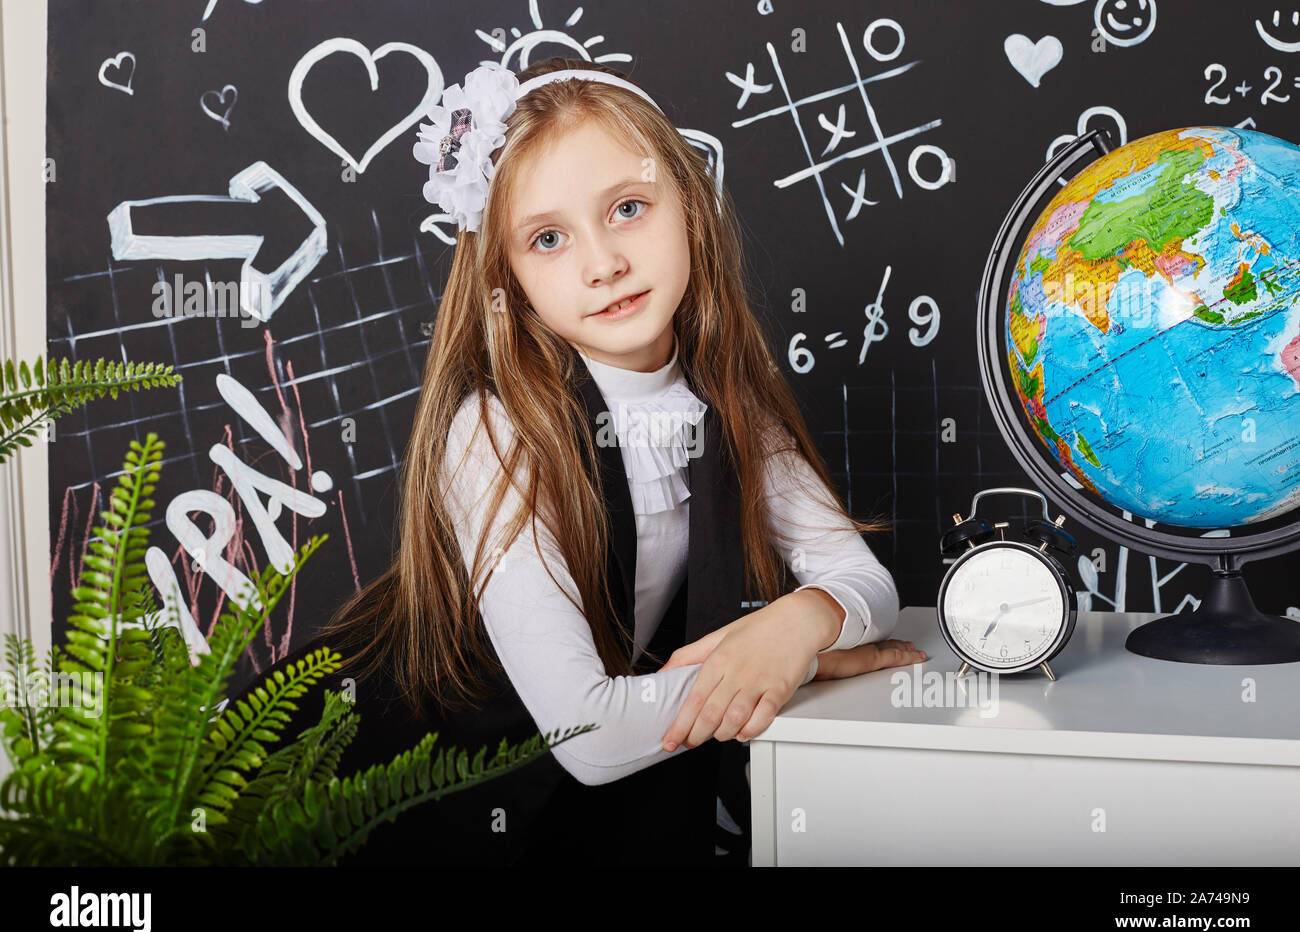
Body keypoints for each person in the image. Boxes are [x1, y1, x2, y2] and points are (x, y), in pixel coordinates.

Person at [272, 55, 922, 868]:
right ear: (505, 274)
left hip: (556, 816)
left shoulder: (733, 412)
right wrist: (795, 666)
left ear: (690, 205)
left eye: (628, 208)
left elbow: (867, 583)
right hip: (365, 805)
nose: (602, 263)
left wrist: (800, 623)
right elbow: (591, 734)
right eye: (548, 238)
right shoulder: (495, 431)